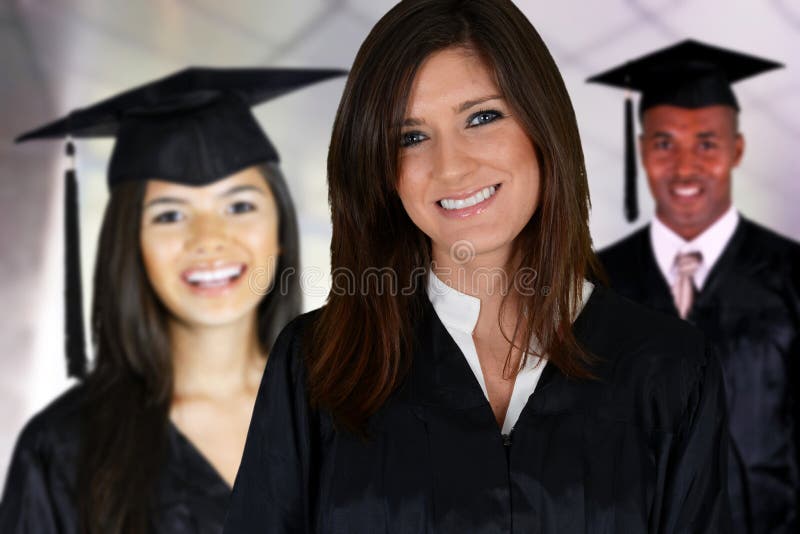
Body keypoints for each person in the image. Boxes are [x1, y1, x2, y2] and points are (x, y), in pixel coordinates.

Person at [224, 2, 731, 533]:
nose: (452, 166)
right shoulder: (317, 365)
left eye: (482, 117)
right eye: (411, 136)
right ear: (379, 166)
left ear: (541, 125)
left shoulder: (669, 369)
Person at [0, 67, 344, 533]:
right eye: (170, 215)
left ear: (281, 229)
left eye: (239, 206)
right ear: (131, 243)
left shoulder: (354, 408)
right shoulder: (62, 450)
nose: (208, 239)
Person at [591, 40, 800, 534]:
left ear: (737, 149)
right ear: (642, 150)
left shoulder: (793, 276)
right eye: (664, 143)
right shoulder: (592, 283)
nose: (684, 168)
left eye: (706, 143)